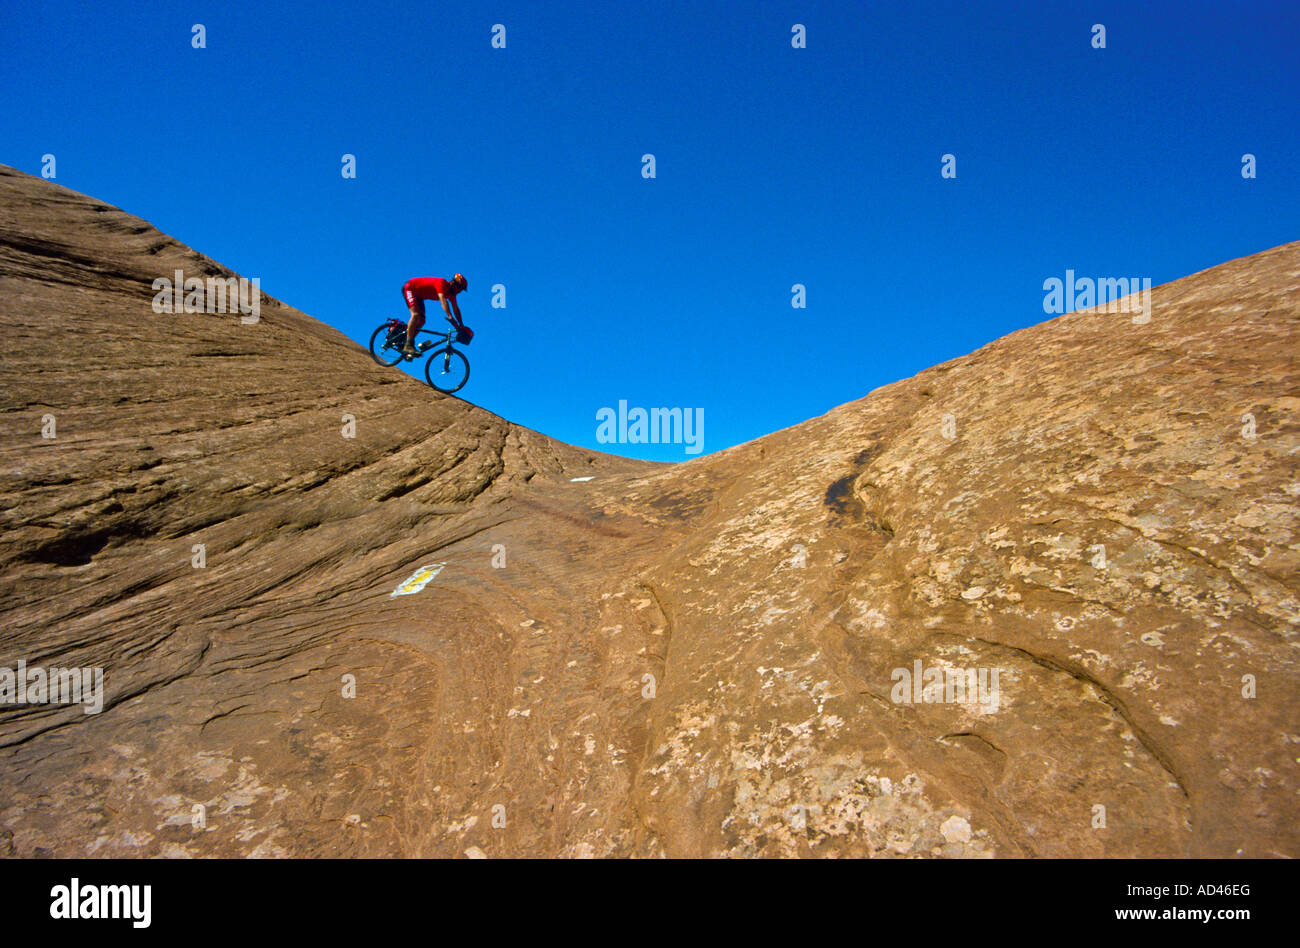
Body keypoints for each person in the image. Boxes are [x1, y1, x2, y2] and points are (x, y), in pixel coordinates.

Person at [401, 273, 468, 359]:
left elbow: (456, 309)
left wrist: (461, 324)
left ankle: (407, 343)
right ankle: (409, 344)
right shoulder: (442, 283)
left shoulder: (452, 294)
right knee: (415, 315)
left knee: (422, 321)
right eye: (460, 289)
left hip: (419, 296)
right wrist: (450, 316)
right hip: (410, 288)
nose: (460, 292)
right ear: (454, 284)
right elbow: (443, 300)